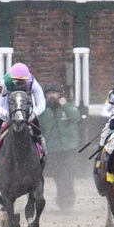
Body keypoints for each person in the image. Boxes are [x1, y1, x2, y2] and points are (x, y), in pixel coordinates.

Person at [38, 82, 82, 211]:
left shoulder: (68, 107)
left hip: (69, 148)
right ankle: (62, 201)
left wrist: (65, 105)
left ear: (59, 94)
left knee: (68, 175)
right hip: (53, 149)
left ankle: (68, 202)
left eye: (54, 93)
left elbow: (76, 117)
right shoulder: (43, 111)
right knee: (58, 176)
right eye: (49, 93)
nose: (52, 96)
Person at [0, 62, 47, 139]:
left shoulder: (33, 83)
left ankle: (39, 138)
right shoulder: (4, 83)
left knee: (35, 121)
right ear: (11, 79)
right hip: (9, 105)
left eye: (22, 82)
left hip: (25, 105)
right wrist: (6, 113)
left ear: (27, 78)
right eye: (17, 82)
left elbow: (41, 103)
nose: (20, 85)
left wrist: (34, 113)